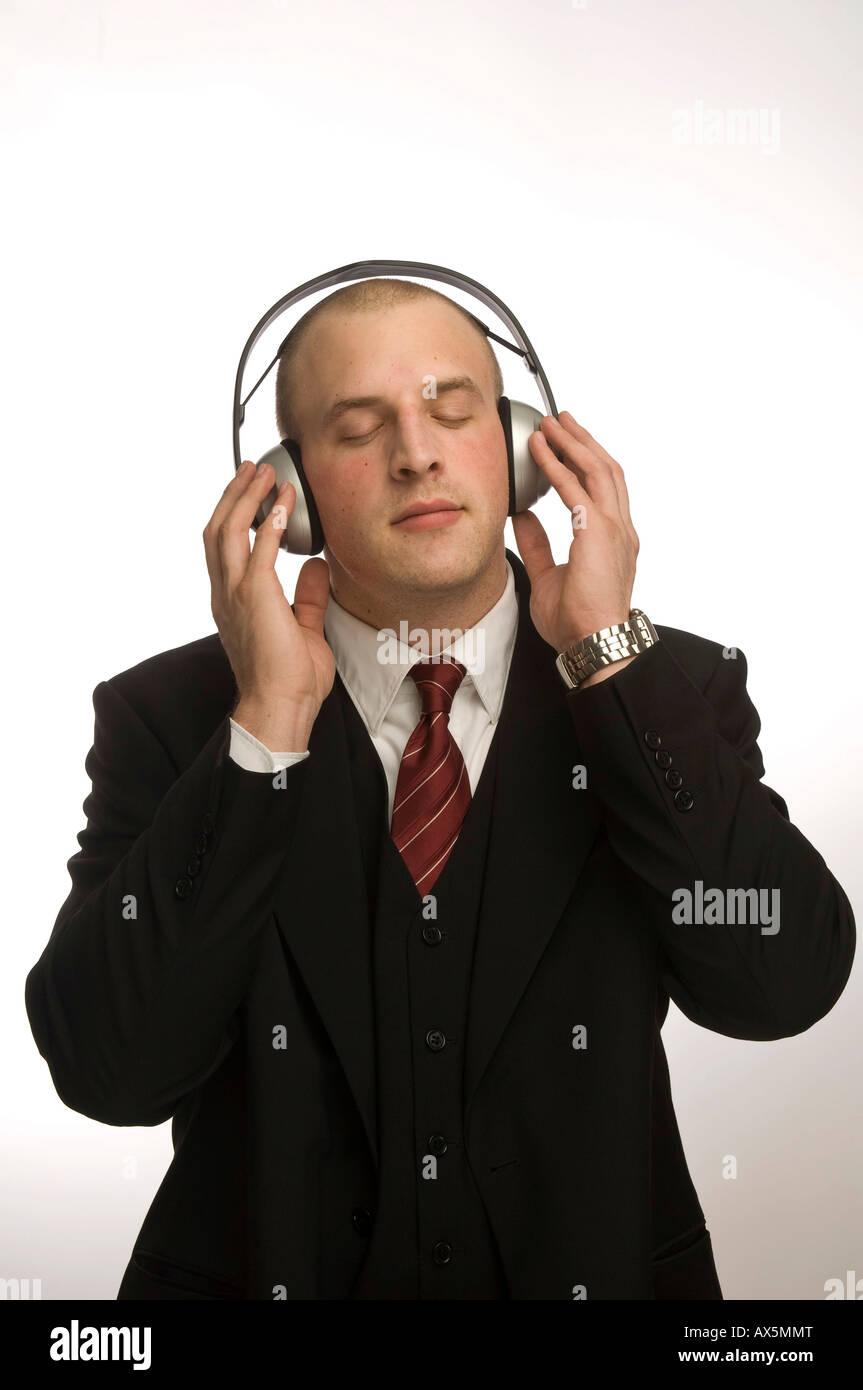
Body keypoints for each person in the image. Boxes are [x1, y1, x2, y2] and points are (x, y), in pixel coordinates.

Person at [24, 278, 856, 1300]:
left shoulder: (669, 687)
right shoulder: (170, 715)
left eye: (453, 411)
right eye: (357, 428)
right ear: (286, 497)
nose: (415, 454)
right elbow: (110, 1072)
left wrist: (608, 661)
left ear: (526, 450)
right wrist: (265, 728)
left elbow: (779, 986)